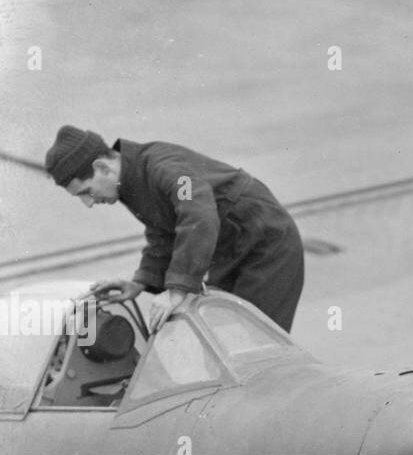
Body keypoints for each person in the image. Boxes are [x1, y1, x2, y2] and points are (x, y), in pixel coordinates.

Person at [43, 126, 304, 332]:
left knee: (251, 348)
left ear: (102, 167)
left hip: (266, 247)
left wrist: (178, 289)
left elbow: (197, 212)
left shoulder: (163, 166)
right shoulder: (132, 182)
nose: (88, 203)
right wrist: (140, 283)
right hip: (231, 252)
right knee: (225, 343)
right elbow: (164, 232)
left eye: (86, 192)